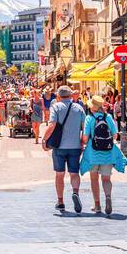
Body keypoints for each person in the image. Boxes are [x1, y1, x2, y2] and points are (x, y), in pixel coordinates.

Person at [40, 84, 85, 213]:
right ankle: (75, 192)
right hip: (75, 146)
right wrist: (82, 142)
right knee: (74, 173)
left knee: (59, 174)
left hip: (59, 147)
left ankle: (60, 201)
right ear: (71, 96)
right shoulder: (79, 108)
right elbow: (84, 128)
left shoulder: (56, 107)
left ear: (58, 96)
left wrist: (44, 140)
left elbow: (52, 125)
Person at [80, 94, 127, 215]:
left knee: (94, 179)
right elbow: (115, 135)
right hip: (108, 152)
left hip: (93, 153)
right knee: (106, 179)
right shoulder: (109, 117)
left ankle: (97, 205)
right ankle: (108, 197)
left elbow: (85, 138)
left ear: (92, 107)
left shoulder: (89, 119)